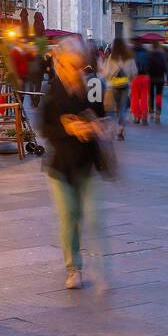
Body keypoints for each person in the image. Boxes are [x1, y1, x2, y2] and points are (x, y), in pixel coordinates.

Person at [39, 38, 109, 290]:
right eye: (69, 65)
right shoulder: (53, 90)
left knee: (93, 216)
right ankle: (74, 268)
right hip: (60, 166)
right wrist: (67, 127)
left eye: (78, 65)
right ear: (60, 62)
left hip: (87, 162)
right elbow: (45, 128)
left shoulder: (91, 86)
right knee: (69, 216)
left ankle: (101, 267)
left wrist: (96, 127)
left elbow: (101, 116)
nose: (74, 71)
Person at [99, 38, 136, 140]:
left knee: (113, 108)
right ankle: (121, 129)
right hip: (125, 85)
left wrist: (110, 78)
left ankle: (112, 128)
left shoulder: (111, 58)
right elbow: (134, 72)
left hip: (114, 85)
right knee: (122, 108)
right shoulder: (129, 57)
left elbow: (105, 73)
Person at [147, 42, 168, 124]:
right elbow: (166, 67)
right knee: (159, 95)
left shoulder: (149, 54)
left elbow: (146, 67)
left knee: (151, 95)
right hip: (160, 78)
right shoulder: (162, 55)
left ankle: (151, 112)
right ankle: (158, 113)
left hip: (150, 79)